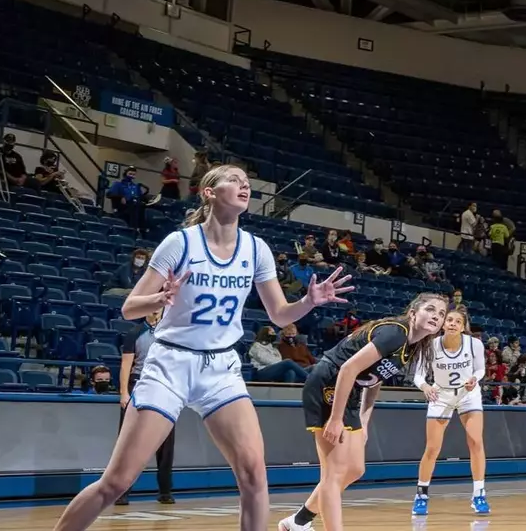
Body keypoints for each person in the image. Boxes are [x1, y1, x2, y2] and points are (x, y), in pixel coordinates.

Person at [51, 163, 353, 531]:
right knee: (117, 482)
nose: (244, 186)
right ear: (209, 192)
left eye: (247, 182)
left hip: (221, 369)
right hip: (170, 364)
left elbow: (278, 314)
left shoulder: (256, 248)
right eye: (234, 180)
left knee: (254, 475)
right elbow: (130, 307)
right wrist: (160, 298)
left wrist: (308, 301)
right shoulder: (180, 243)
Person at [281, 293, 448, 531]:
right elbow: (348, 369)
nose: (436, 316)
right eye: (430, 309)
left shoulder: (411, 346)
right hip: (328, 383)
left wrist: (364, 420)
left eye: (441, 314)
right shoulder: (396, 333)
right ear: (413, 313)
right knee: (334, 473)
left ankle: (298, 521)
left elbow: (375, 378)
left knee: (355, 469)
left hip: (351, 391)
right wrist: (336, 419)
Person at [413, 307, 490, 516]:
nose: (453, 324)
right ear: (443, 324)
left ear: (463, 326)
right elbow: (418, 375)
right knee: (432, 448)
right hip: (441, 394)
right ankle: (421, 495)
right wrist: (425, 387)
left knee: (476, 442)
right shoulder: (430, 345)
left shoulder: (474, 344)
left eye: (457, 321)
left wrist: (475, 379)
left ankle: (479, 494)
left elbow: (480, 369)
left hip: (467, 394)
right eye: (449, 320)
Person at [116, 308, 174, 506]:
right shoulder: (135, 333)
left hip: (164, 385)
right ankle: (121, 491)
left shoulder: (170, 332)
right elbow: (126, 365)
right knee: (129, 439)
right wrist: (124, 392)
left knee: (166, 441)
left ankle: (165, 491)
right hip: (139, 383)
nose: (156, 309)